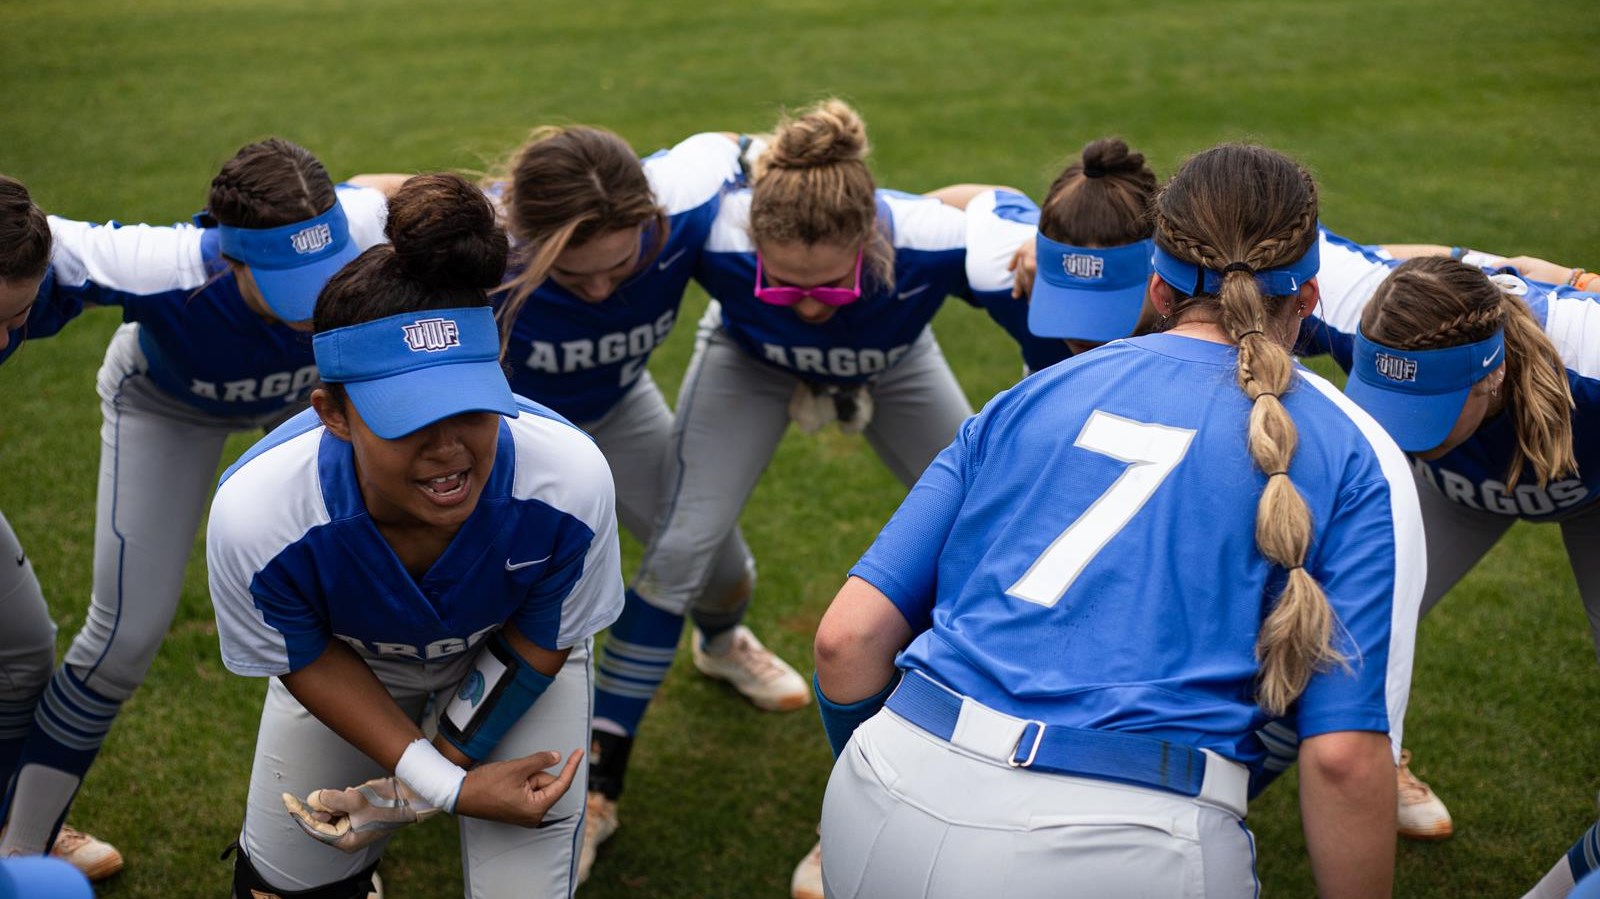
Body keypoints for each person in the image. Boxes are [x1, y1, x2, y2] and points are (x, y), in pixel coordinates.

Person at [813, 144, 1424, 898]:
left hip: (882, 793)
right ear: (1309, 298)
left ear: (1158, 286)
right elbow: (1339, 758)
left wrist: (883, 772)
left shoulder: (1033, 393)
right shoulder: (1351, 446)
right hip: (1125, 842)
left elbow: (846, 639)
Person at [581, 98, 977, 881]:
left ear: (870, 241)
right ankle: (597, 787)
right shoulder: (709, 227)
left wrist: (1031, 244)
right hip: (747, 361)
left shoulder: (934, 238)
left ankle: (945, 765)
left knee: (985, 526)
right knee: (682, 546)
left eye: (828, 288)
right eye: (777, 282)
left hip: (895, 361)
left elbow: (1045, 234)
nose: (801, 302)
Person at [207, 173, 624, 897]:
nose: (449, 447)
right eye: (407, 416)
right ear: (333, 412)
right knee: (284, 889)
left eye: (469, 405)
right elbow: (305, 655)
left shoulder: (568, 477)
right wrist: (448, 783)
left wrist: (421, 787)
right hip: (355, 667)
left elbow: (538, 638)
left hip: (519, 670)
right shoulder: (260, 510)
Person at [0, 140, 392, 865]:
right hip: (167, 403)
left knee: (359, 608)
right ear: (230, 255)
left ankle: (347, 847)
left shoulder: (364, 223)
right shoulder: (162, 264)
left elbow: (406, 192)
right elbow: (41, 241)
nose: (311, 302)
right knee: (123, 639)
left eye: (323, 270)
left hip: (302, 410)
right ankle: (21, 853)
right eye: (285, 279)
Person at [1301, 236, 1599, 840]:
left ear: (1494, 378)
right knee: (1335, 629)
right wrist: (1454, 263)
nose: (1402, 431)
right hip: (1447, 490)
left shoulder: (1587, 354)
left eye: (1423, 408)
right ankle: (1378, 768)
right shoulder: (1347, 302)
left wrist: (1577, 279)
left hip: (1594, 494)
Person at [0, 176, 121, 882]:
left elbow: (170, 258)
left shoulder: (47, 274)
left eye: (16, 317)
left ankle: (12, 820)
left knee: (23, 647)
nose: (3, 338)